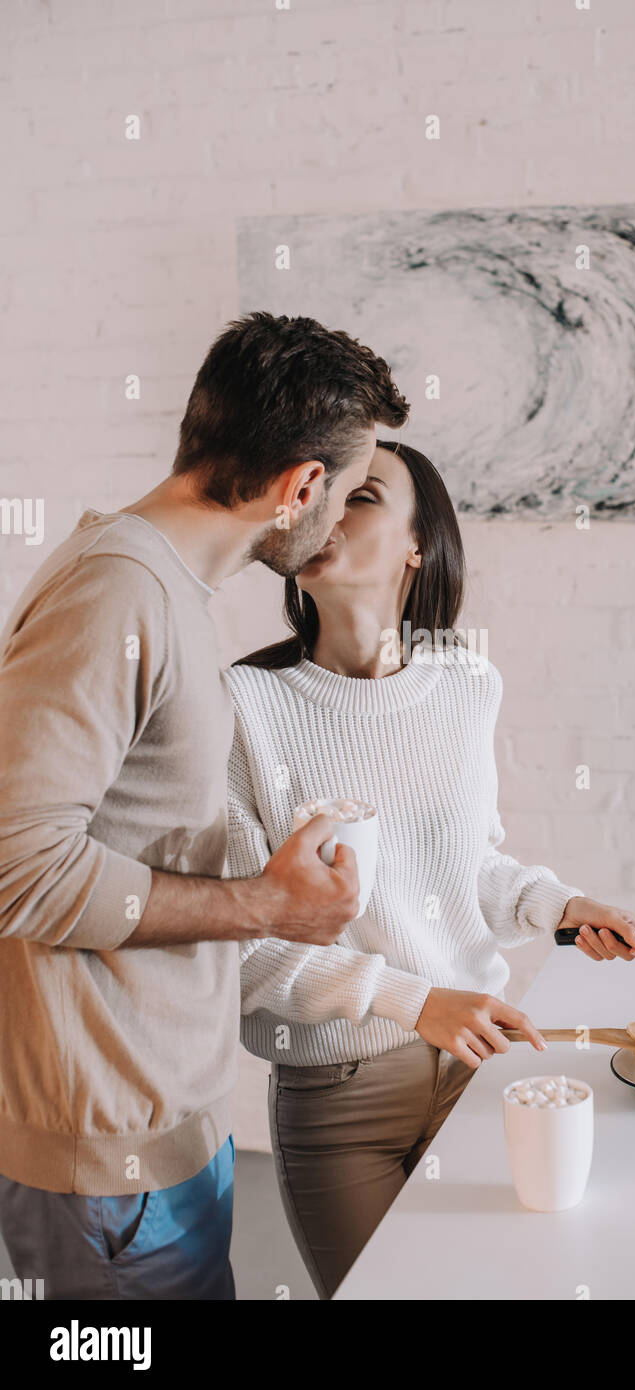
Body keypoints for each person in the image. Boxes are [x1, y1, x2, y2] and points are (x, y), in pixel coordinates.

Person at [0, 312, 408, 1300]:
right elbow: (20, 865)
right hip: (109, 1155)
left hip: (169, 1117)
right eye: (349, 491)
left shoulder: (166, 587)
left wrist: (267, 859)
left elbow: (128, 827)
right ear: (300, 485)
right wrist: (270, 908)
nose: (343, 516)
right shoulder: (118, 594)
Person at [224, 438, 635, 1300]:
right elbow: (242, 944)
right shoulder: (243, 706)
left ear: (420, 542)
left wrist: (559, 906)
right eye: (321, 493)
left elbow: (464, 867)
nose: (327, 511)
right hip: (338, 1096)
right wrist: (417, 1002)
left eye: (363, 495)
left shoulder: (465, 685)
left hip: (478, 1070)